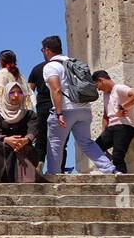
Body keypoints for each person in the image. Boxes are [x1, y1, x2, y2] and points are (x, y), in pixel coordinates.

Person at [41, 35, 117, 175]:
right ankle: (110, 169)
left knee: (56, 143)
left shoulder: (51, 66)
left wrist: (58, 113)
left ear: (46, 50)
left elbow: (56, 89)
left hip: (66, 109)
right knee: (87, 143)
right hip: (84, 109)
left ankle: (53, 174)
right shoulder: (73, 62)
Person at [0, 75, 47, 183]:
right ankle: (5, 176)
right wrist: (7, 140)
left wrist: (24, 140)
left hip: (24, 149)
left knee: (24, 149)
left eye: (20, 92)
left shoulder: (30, 115)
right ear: (6, 95)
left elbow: (33, 132)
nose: (16, 95)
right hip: (3, 150)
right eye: (12, 93)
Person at [93, 70, 134, 174]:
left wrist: (122, 107)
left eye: (98, 86)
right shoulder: (106, 95)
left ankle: (123, 180)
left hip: (124, 126)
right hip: (112, 127)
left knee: (118, 156)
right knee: (95, 147)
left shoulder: (119, 88)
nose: (99, 89)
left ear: (101, 80)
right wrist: (103, 133)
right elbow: (106, 115)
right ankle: (109, 166)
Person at [26, 51, 57, 171]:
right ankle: (58, 168)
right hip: (61, 106)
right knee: (59, 142)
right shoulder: (64, 66)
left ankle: (39, 166)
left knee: (41, 139)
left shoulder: (37, 68)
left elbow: (30, 91)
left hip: (42, 108)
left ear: (46, 50)